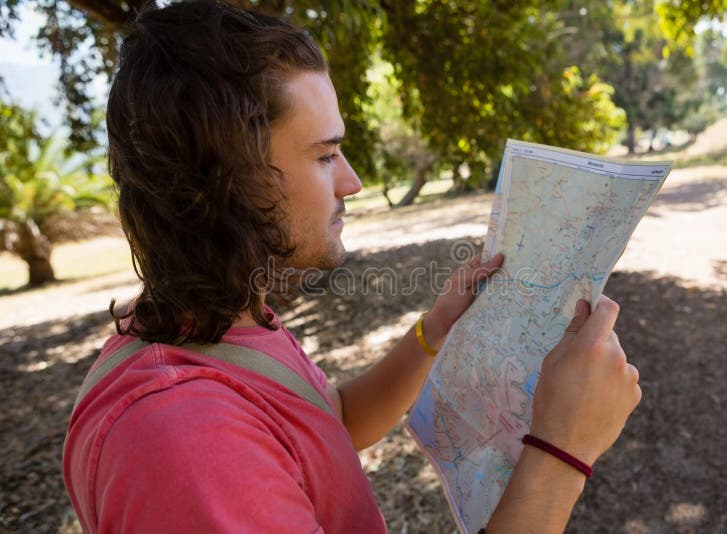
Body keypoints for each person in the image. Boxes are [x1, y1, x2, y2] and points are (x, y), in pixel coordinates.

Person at [62, 1, 641, 532]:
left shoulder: (222, 321)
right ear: (224, 179)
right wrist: (563, 449)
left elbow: (329, 421)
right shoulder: (186, 444)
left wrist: (434, 330)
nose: (353, 182)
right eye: (324, 155)